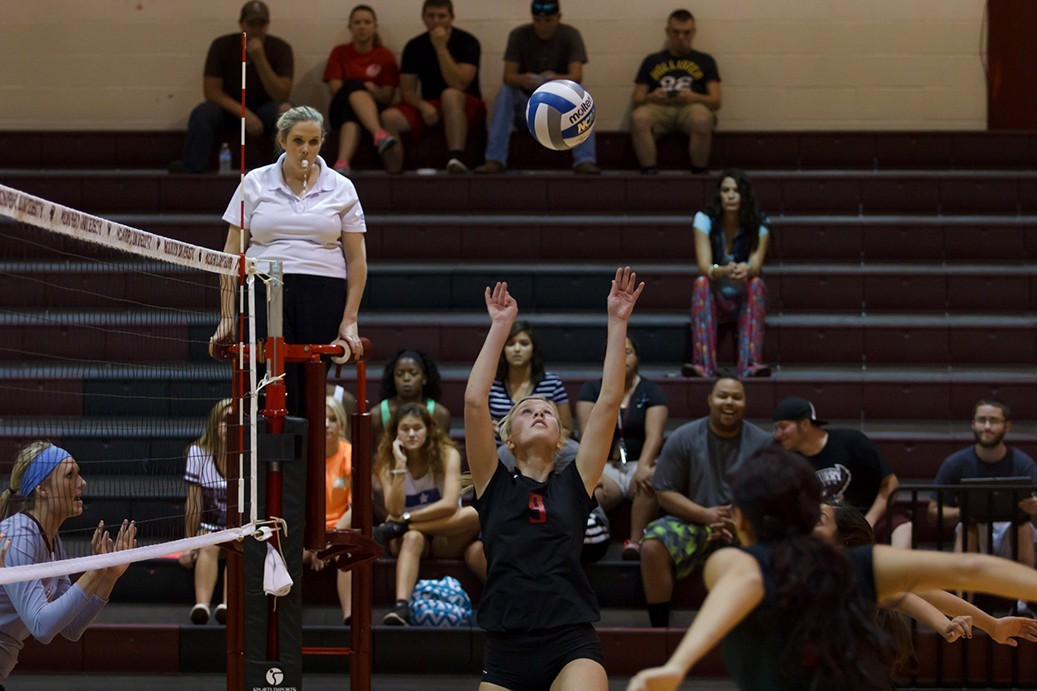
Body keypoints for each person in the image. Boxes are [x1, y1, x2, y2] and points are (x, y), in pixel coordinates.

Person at [627, 448, 1037, 691]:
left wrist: (679, 663)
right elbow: (969, 568)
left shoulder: (735, 562)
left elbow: (742, 585)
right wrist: (990, 625)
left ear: (742, 520)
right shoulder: (856, 566)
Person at [464, 268, 643, 691]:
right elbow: (474, 402)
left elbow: (609, 401)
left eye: (546, 411)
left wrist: (618, 323)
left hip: (570, 643)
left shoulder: (575, 482)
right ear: (508, 437)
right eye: (527, 411)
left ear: (562, 439)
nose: (539, 412)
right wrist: (500, 328)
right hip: (506, 652)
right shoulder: (494, 483)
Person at [209, 105, 368, 417]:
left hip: (323, 293)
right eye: (297, 141)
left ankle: (303, 463)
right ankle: (267, 463)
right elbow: (230, 255)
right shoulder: (254, 182)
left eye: (313, 141)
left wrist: (350, 319)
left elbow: (357, 259)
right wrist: (228, 316)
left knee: (308, 390)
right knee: (267, 387)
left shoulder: (342, 187)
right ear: (282, 141)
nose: (306, 149)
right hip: (263, 290)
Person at [640, 373, 770, 627]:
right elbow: (664, 492)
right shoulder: (684, 436)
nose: (729, 402)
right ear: (710, 399)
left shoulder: (763, 443)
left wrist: (739, 523)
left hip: (745, 524)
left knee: (780, 543)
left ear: (745, 403)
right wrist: (707, 516)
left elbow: (772, 496)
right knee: (652, 545)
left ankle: (757, 629)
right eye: (723, 396)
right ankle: (660, 630)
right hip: (695, 520)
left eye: (737, 397)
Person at [818, 499, 1037, 649]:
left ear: (843, 540)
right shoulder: (790, 560)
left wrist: (990, 625)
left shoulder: (855, 569)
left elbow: (913, 592)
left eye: (819, 520)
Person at [0, 442, 137, 682]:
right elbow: (42, 627)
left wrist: (108, 576)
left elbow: (71, 627)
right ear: (42, 488)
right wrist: (94, 571)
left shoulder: (51, 539)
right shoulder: (19, 536)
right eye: (70, 475)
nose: (82, 483)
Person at [371, 403, 479, 626]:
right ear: (395, 433)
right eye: (405, 429)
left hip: (445, 532)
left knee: (477, 514)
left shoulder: (447, 454)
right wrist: (400, 466)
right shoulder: (386, 460)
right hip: (405, 539)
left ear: (429, 430)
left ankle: (406, 528)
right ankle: (401, 606)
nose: (411, 434)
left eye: (417, 428)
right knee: (413, 537)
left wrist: (407, 521)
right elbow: (395, 510)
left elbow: (450, 505)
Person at [928, 400, 1037, 614]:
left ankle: (1021, 605)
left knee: (1024, 527)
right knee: (967, 526)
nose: (987, 426)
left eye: (994, 420)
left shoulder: (1024, 464)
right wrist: (965, 511)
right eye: (982, 420)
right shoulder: (955, 463)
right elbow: (933, 511)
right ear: (973, 424)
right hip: (975, 531)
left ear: (1007, 426)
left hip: (1013, 533)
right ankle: (963, 607)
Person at [473, 0, 600, 175]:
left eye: (548, 21)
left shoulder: (570, 35)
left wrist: (554, 79)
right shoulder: (519, 35)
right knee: (505, 92)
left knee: (581, 94)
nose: (542, 26)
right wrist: (523, 80)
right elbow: (508, 76)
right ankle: (494, 158)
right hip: (526, 108)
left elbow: (576, 76)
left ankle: (585, 160)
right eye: (537, 21)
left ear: (558, 17)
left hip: (558, 112)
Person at [772, 395, 913, 549]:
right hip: (821, 526)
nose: (778, 434)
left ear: (805, 424)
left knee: (903, 528)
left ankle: (894, 572)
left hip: (864, 517)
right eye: (776, 428)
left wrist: (868, 522)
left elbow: (891, 484)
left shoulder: (851, 442)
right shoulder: (787, 461)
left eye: (783, 427)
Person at [576, 336, 668, 560]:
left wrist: (645, 466)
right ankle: (592, 537)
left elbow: (655, 435)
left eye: (627, 351)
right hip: (605, 465)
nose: (621, 356)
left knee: (652, 479)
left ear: (636, 357)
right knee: (591, 491)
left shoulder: (651, 391)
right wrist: (592, 471)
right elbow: (588, 436)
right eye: (614, 351)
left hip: (638, 463)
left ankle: (635, 542)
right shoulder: (591, 389)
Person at [178, 1, 293, 173]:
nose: (256, 29)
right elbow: (211, 91)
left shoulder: (280, 48)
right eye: (251, 24)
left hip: (265, 107)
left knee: (286, 114)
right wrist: (244, 114)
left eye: (261, 24)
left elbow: (282, 93)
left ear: (267, 25)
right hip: (229, 108)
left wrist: (260, 59)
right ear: (241, 24)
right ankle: (194, 172)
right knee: (202, 113)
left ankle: (285, 174)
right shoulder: (222, 46)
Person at [681, 170, 769, 379]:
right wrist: (722, 270)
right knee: (701, 282)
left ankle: (750, 364)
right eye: (725, 190)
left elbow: (756, 265)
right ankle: (703, 365)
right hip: (716, 295)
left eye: (736, 191)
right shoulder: (704, 219)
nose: (730, 195)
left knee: (756, 283)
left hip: (743, 296)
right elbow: (704, 265)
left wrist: (744, 270)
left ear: (745, 196)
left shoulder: (759, 222)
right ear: (719, 195)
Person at [379, 0, 484, 174]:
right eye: (431, 16)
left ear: (451, 18)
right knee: (389, 116)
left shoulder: (468, 42)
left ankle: (456, 158)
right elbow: (407, 90)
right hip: (431, 103)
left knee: (450, 95)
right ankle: (394, 172)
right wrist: (422, 106)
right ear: (423, 18)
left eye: (441, 16)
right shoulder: (414, 46)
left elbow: (460, 83)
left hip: (465, 103)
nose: (436, 21)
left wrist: (441, 48)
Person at [629, 9, 721, 175]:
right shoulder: (652, 60)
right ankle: (648, 171)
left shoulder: (705, 60)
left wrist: (695, 97)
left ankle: (699, 172)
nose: (681, 38)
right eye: (676, 32)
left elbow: (716, 101)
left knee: (702, 119)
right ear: (667, 32)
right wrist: (651, 96)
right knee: (638, 118)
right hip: (659, 108)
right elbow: (636, 99)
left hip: (691, 107)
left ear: (694, 33)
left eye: (686, 33)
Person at [322, 4, 400, 176]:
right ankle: (379, 134)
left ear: (374, 26)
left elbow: (387, 97)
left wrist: (374, 92)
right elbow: (336, 90)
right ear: (350, 27)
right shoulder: (340, 52)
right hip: (339, 107)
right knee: (354, 87)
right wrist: (364, 88)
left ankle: (342, 162)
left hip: (372, 110)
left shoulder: (385, 55)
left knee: (352, 112)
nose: (362, 26)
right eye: (357, 22)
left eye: (367, 22)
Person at [304, 397, 354, 625]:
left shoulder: (350, 453)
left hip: (341, 529)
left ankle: (350, 616)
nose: (326, 424)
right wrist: (315, 539)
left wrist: (327, 539)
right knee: (285, 553)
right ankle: (283, 616)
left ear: (342, 425)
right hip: (309, 529)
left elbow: (356, 507)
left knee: (348, 553)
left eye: (333, 419)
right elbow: (299, 505)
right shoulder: (305, 455)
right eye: (322, 418)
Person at [183, 398, 232, 625]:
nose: (228, 426)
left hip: (238, 529)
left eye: (233, 421)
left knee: (236, 550)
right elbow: (193, 503)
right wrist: (187, 543)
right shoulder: (198, 453)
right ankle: (201, 606)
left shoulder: (249, 455)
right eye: (224, 420)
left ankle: (226, 605)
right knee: (209, 545)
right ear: (214, 423)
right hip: (210, 529)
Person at [489, 320, 572, 440]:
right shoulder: (492, 384)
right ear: (503, 350)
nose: (517, 349)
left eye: (524, 343)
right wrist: (488, 427)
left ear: (533, 349)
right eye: (511, 344)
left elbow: (566, 428)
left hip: (543, 451)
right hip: (499, 451)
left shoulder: (552, 383)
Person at [371, 349, 452, 444]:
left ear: (424, 378)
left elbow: (444, 451)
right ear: (393, 378)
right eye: (400, 374)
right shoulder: (377, 414)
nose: (406, 378)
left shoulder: (440, 414)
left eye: (413, 373)